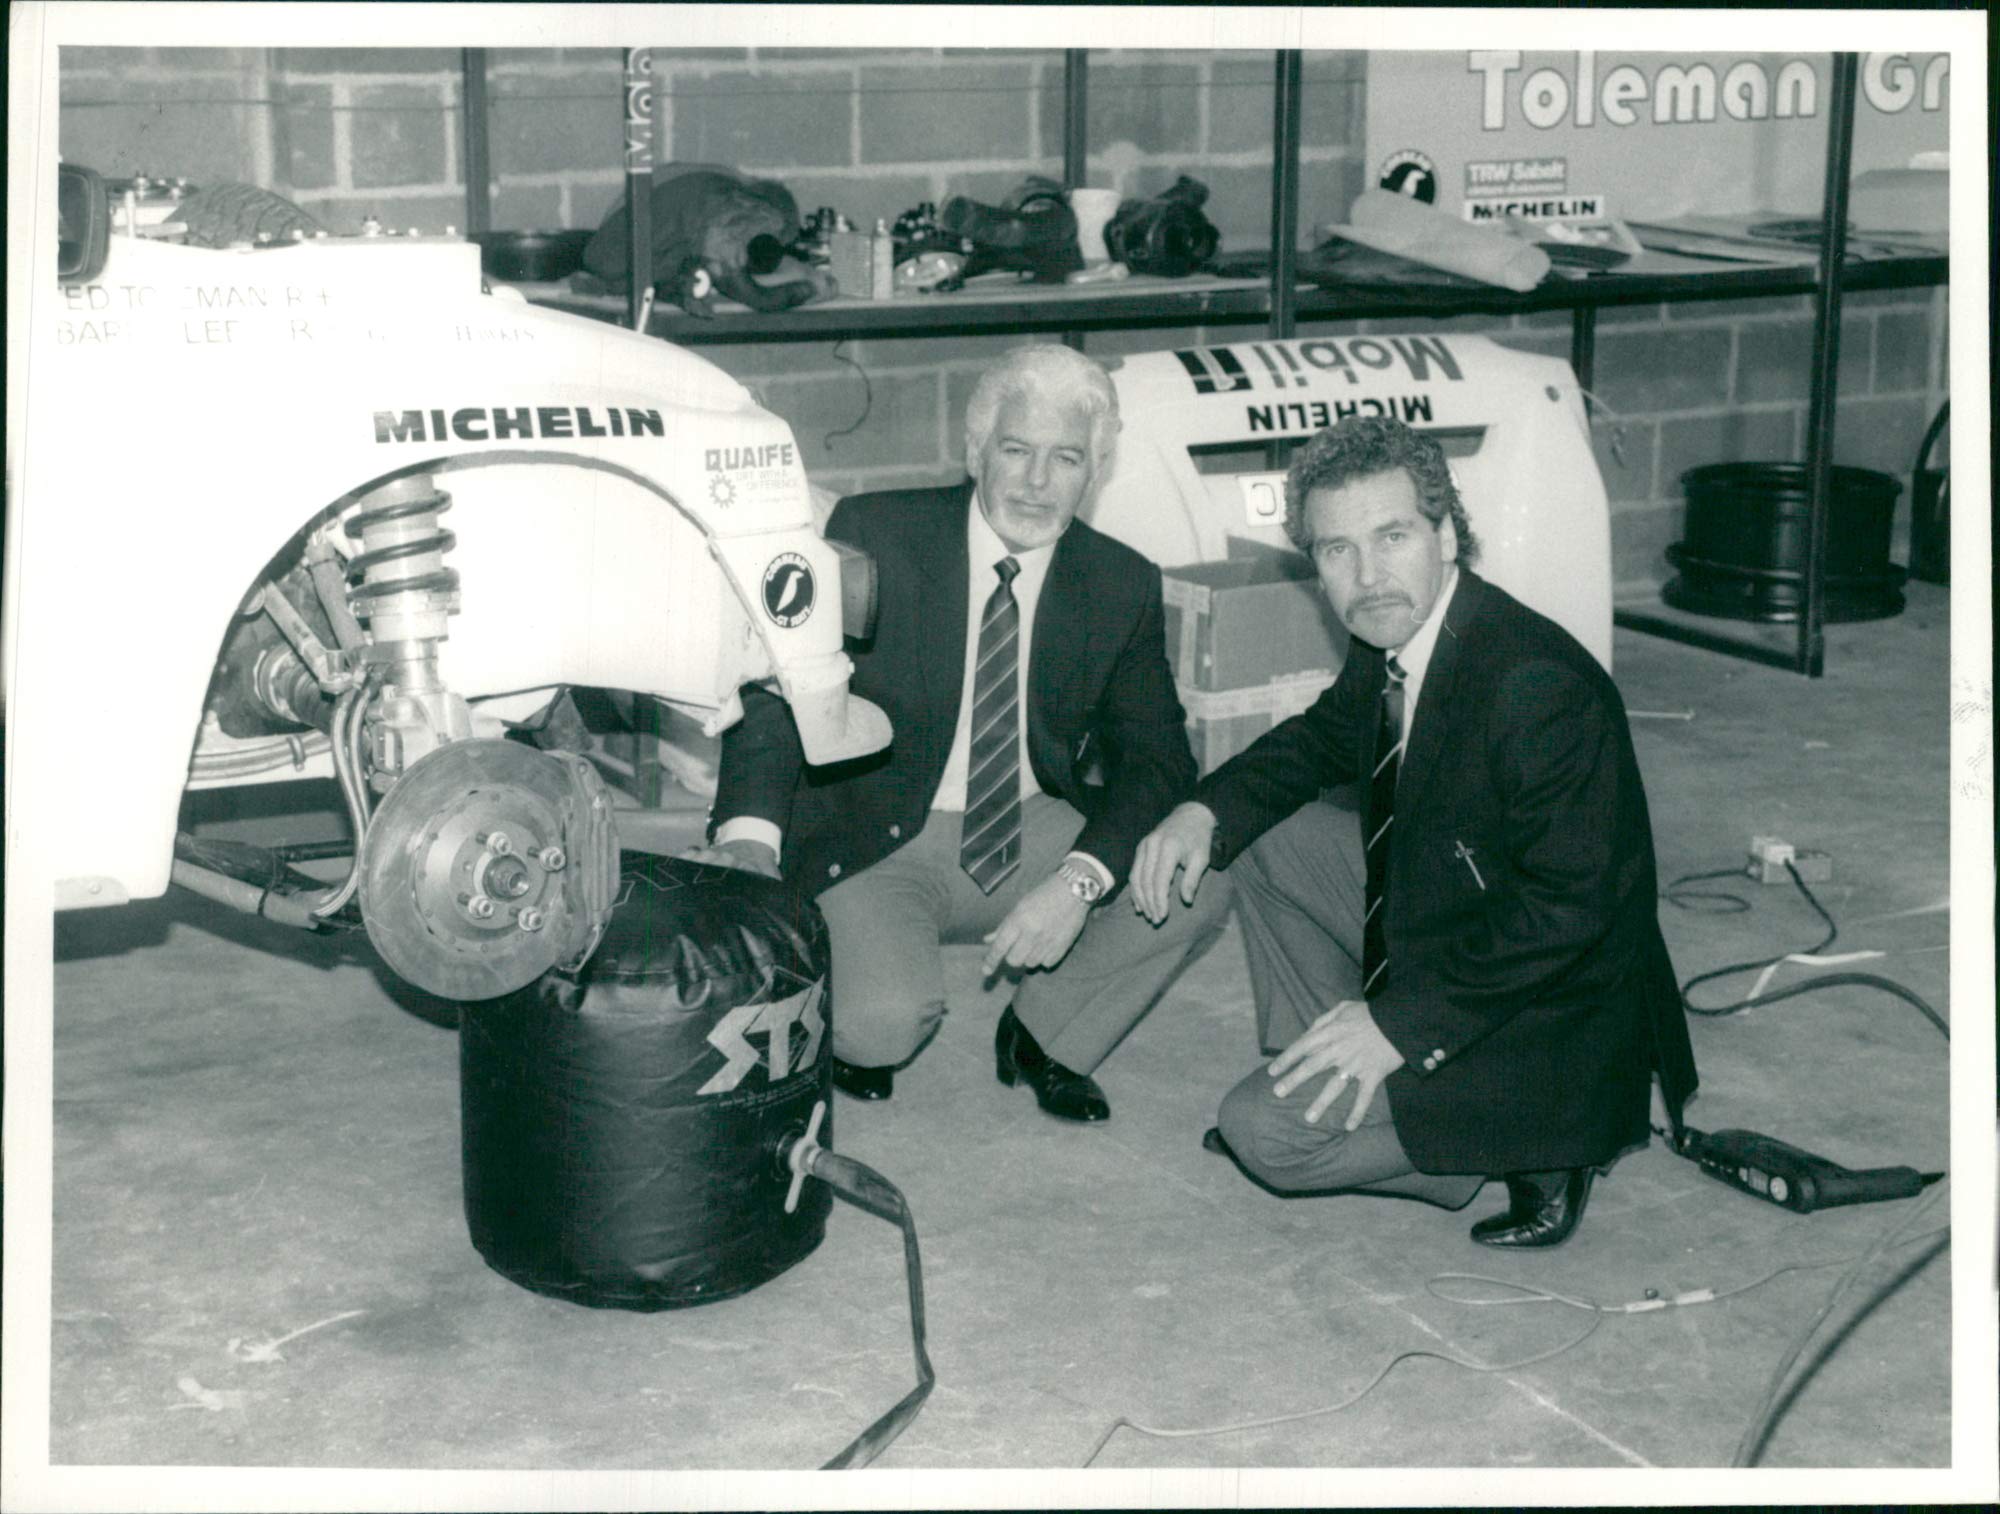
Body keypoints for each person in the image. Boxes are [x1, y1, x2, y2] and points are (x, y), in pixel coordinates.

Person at [1130, 416, 1697, 1248]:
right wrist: (1203, 809)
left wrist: (1398, 1027)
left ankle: (1534, 1153)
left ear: (1447, 535)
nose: (1367, 576)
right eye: (1337, 550)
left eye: (1392, 537)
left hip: (1547, 1011)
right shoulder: (1398, 631)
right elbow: (1320, 740)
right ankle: (1327, 1071)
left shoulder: (1535, 685)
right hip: (1464, 921)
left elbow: (1568, 912)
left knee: (1263, 1137)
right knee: (1266, 838)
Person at [702, 344, 1229, 1118]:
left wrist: (1081, 880)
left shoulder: (1121, 580)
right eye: (1016, 451)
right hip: (882, 829)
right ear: (977, 450)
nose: (1037, 482)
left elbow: (1158, 758)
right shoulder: (875, 531)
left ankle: (1044, 1033)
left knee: (1197, 877)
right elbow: (780, 688)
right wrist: (750, 838)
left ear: (1096, 471)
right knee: (879, 1027)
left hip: (1029, 826)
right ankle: (865, 988)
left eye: (1066, 458)